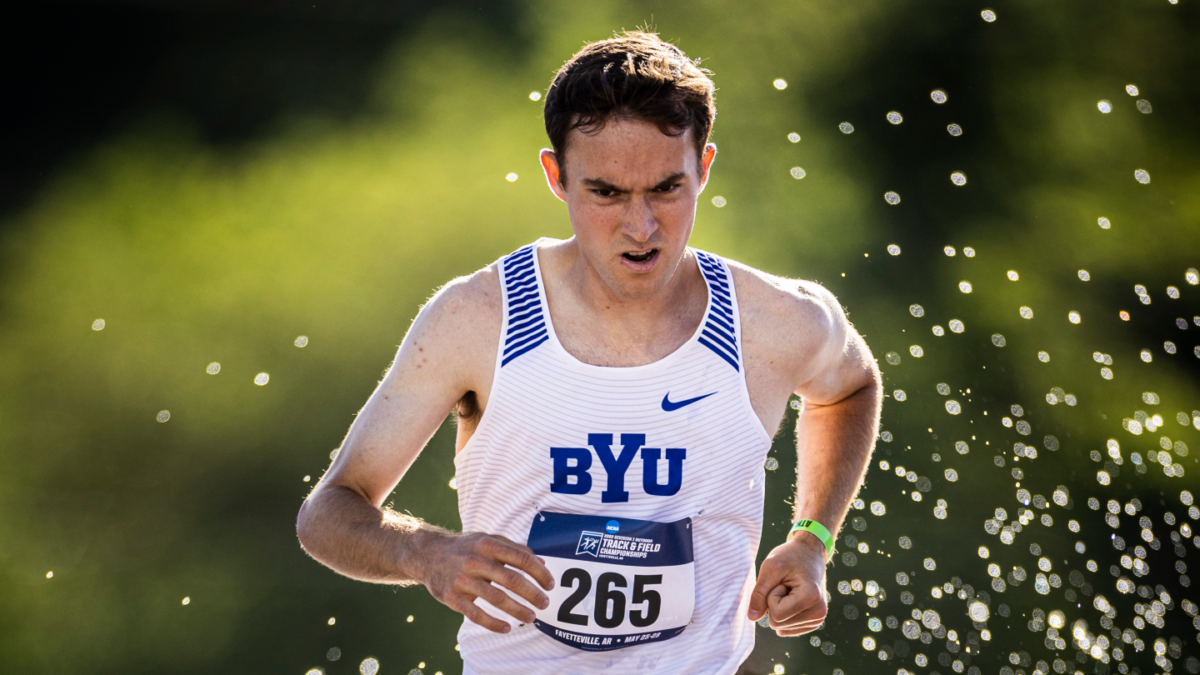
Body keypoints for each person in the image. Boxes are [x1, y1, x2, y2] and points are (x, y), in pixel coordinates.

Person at [296, 30, 881, 675]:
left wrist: (813, 539)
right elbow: (329, 513)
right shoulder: (477, 319)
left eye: (666, 188)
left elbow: (850, 388)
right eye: (605, 193)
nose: (641, 227)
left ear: (704, 168)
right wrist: (426, 554)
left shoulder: (777, 319)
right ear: (556, 176)